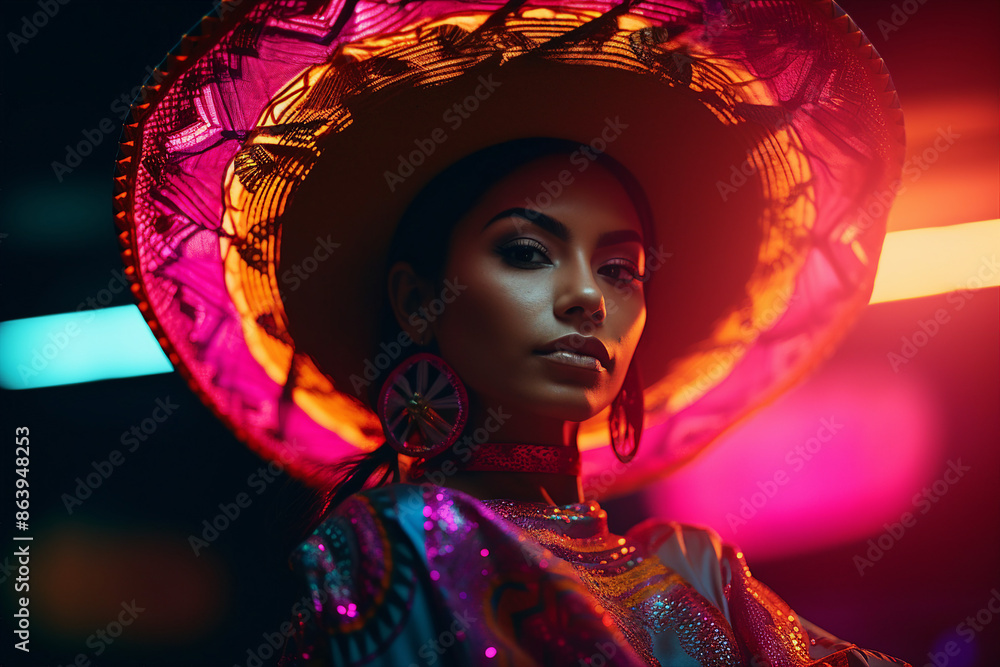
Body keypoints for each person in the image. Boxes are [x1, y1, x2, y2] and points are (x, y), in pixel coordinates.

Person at [114, 0, 911, 664]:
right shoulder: (406, 539)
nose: (587, 300)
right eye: (527, 253)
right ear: (417, 297)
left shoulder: (695, 569)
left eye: (622, 269)